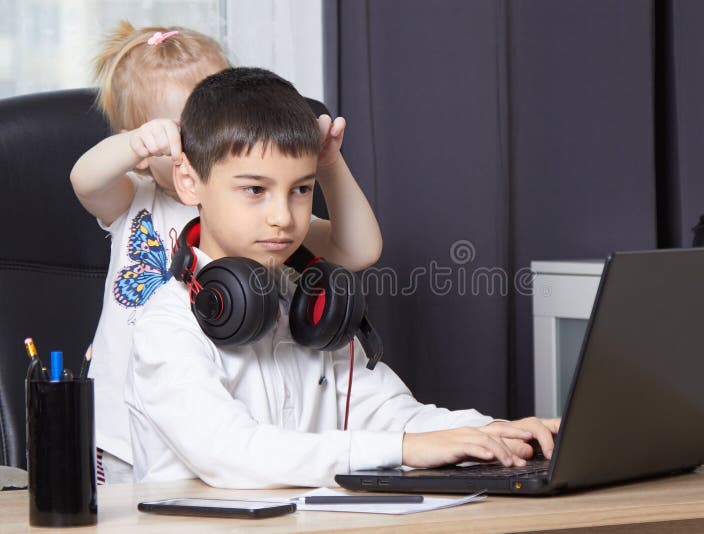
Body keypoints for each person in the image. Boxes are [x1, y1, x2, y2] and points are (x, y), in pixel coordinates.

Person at [126, 66, 560, 488]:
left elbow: (391, 414)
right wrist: (404, 449)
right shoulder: (165, 327)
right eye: (255, 189)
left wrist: (492, 432)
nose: (283, 217)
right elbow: (232, 452)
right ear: (189, 182)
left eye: (301, 189)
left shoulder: (311, 308)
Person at [69, 21, 382, 483]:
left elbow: (359, 250)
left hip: (217, 413)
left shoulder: (260, 214)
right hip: (121, 431)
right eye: (184, 129)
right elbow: (84, 179)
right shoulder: (132, 198)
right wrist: (133, 146)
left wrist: (329, 165)